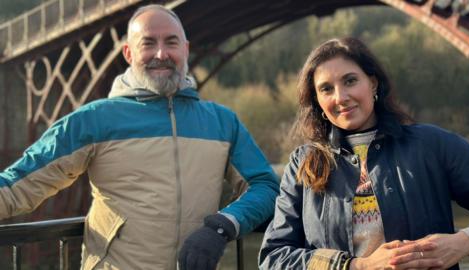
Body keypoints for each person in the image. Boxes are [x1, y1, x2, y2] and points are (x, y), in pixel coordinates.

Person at [0, 4, 279, 270]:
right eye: (148, 43)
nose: (161, 54)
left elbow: (264, 186)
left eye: (171, 42)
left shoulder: (222, 121)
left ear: (185, 49)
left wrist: (223, 225)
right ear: (129, 54)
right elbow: (20, 184)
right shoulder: (95, 119)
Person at [258, 37, 469, 270]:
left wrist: (466, 241)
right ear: (317, 101)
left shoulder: (431, 145)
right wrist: (355, 266)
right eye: (326, 89)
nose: (340, 97)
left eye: (350, 81)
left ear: (373, 83)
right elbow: (274, 257)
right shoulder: (303, 163)